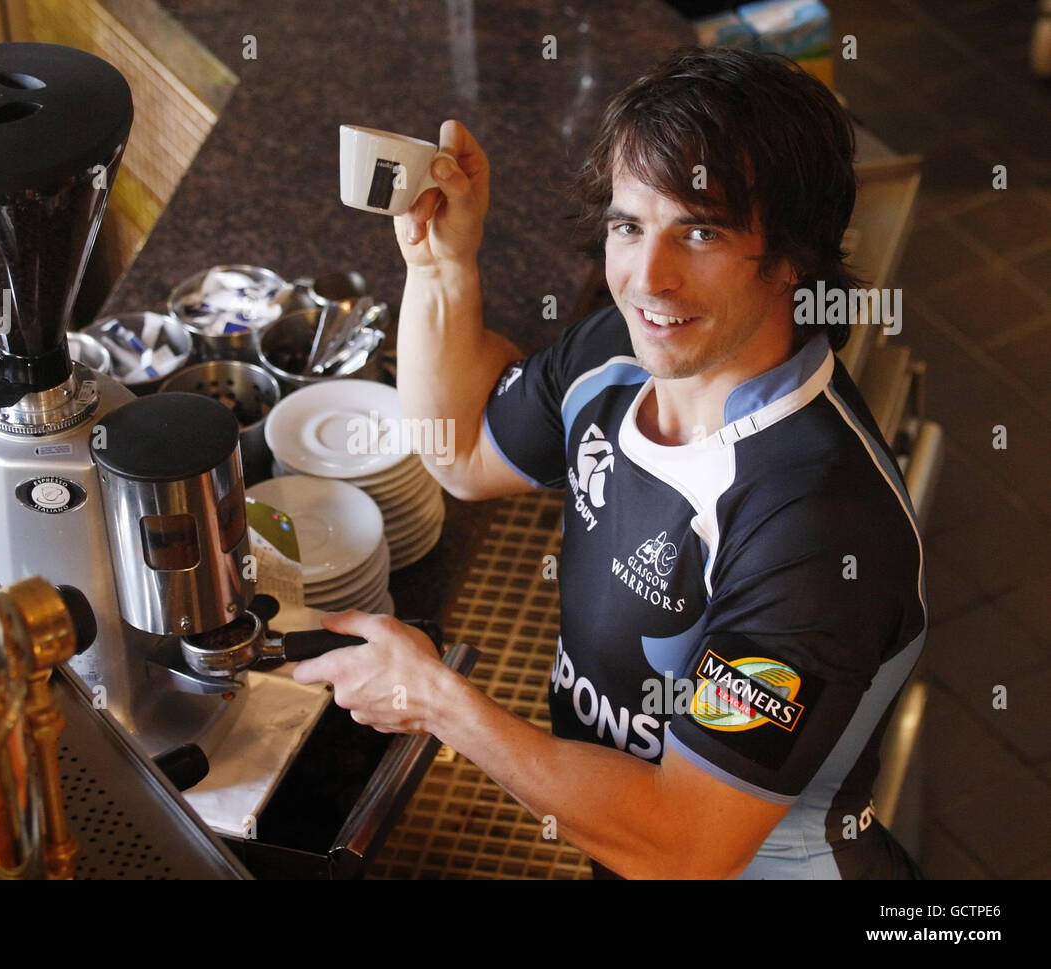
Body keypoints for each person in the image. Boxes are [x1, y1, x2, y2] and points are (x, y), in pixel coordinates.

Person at [292, 46, 927, 879]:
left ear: (792, 257)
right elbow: (463, 454)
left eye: (700, 231)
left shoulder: (813, 527)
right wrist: (441, 266)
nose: (647, 279)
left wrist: (440, 701)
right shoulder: (620, 357)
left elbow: (685, 845)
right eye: (629, 226)